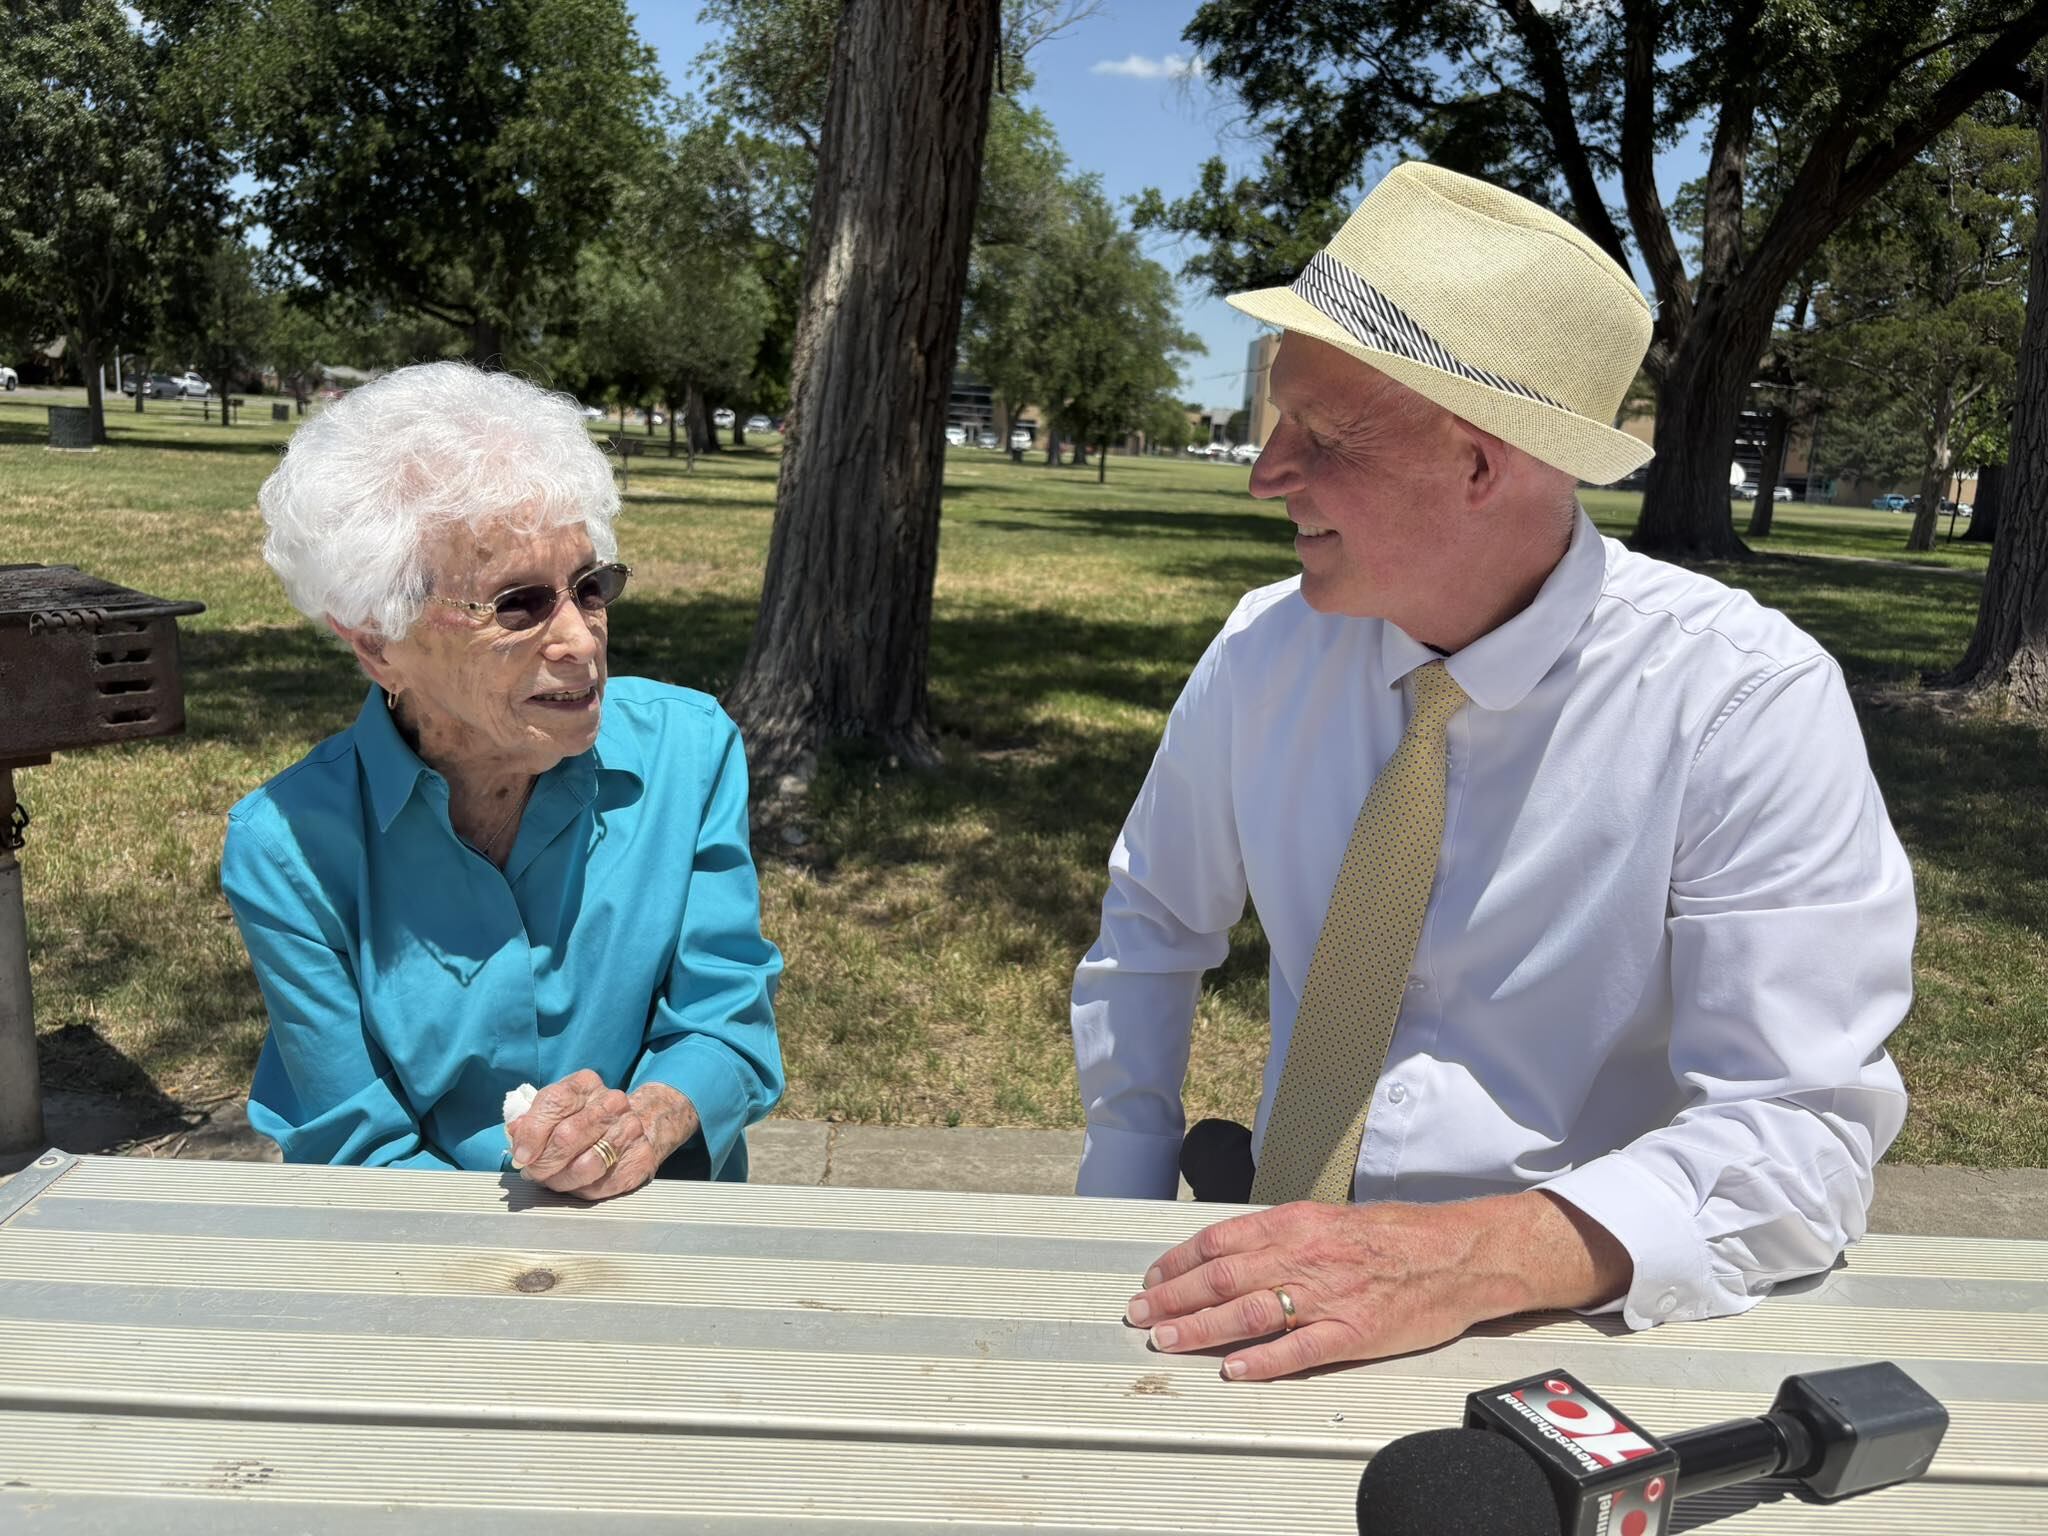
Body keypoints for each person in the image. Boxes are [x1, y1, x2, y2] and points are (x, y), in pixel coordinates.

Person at [1070, 163, 1913, 1380]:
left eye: (1320, 436)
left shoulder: (1740, 703)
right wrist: (1120, 1203)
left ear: (1480, 466)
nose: (1264, 472)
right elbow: (1149, 924)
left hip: (1580, 1332)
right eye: (1274, 419)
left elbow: (1801, 1136)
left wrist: (1459, 1261)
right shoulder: (1263, 652)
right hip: (1262, 1296)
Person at [224, 362, 784, 1199]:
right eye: (518, 604)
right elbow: (358, 1145)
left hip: (658, 1213)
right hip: (427, 1246)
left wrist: (644, 1123)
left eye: (591, 588)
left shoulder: (689, 751)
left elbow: (727, 1023)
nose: (581, 641)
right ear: (377, 641)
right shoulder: (288, 851)